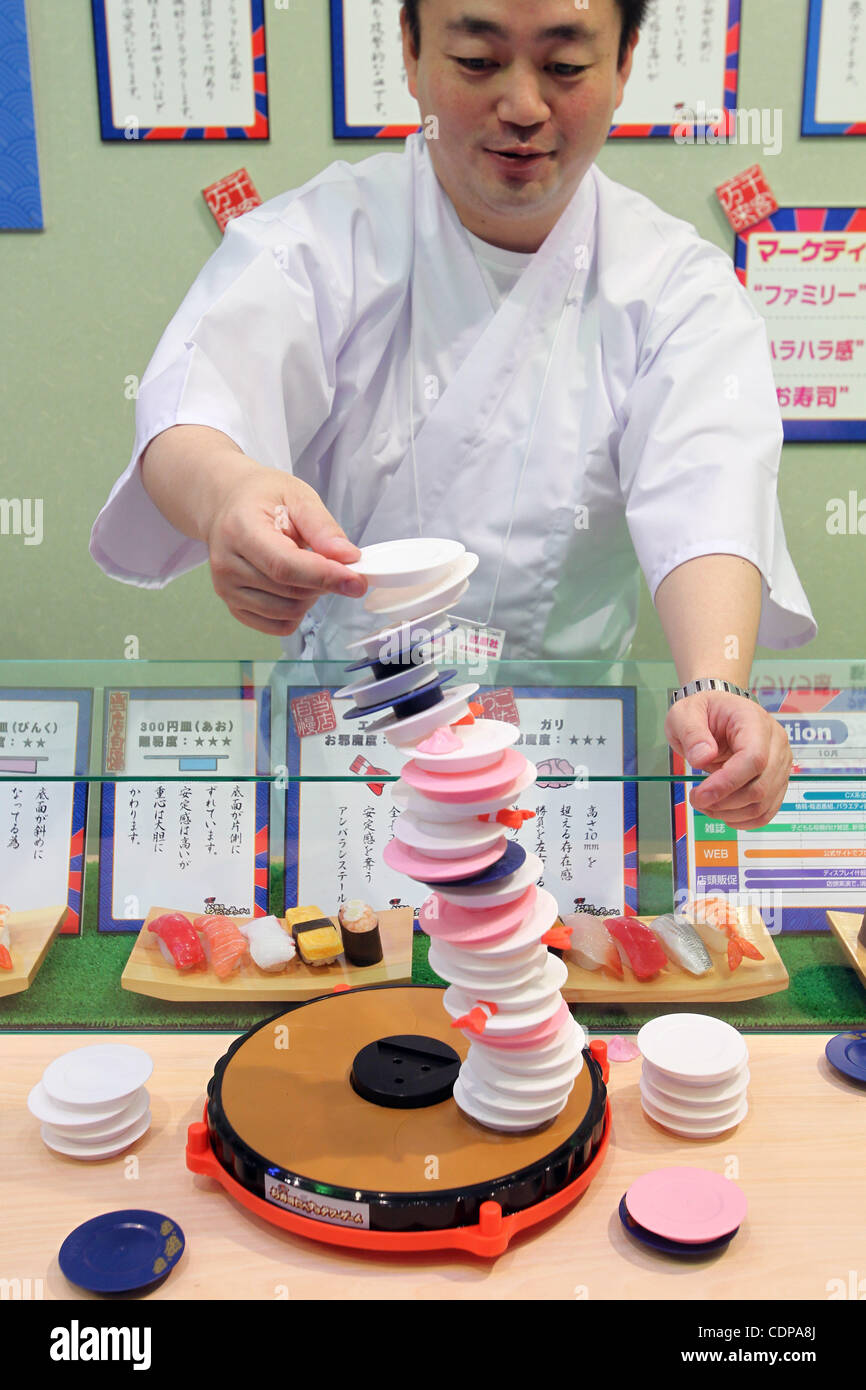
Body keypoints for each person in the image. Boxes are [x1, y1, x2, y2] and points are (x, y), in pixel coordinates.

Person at [90, 0, 817, 830]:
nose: (523, 105)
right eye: (477, 61)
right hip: (345, 747)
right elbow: (192, 410)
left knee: (546, 951)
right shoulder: (319, 239)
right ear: (410, 50)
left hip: (558, 759)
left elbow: (710, 492)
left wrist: (714, 683)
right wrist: (229, 498)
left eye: (566, 66)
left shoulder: (677, 287)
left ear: (623, 65)